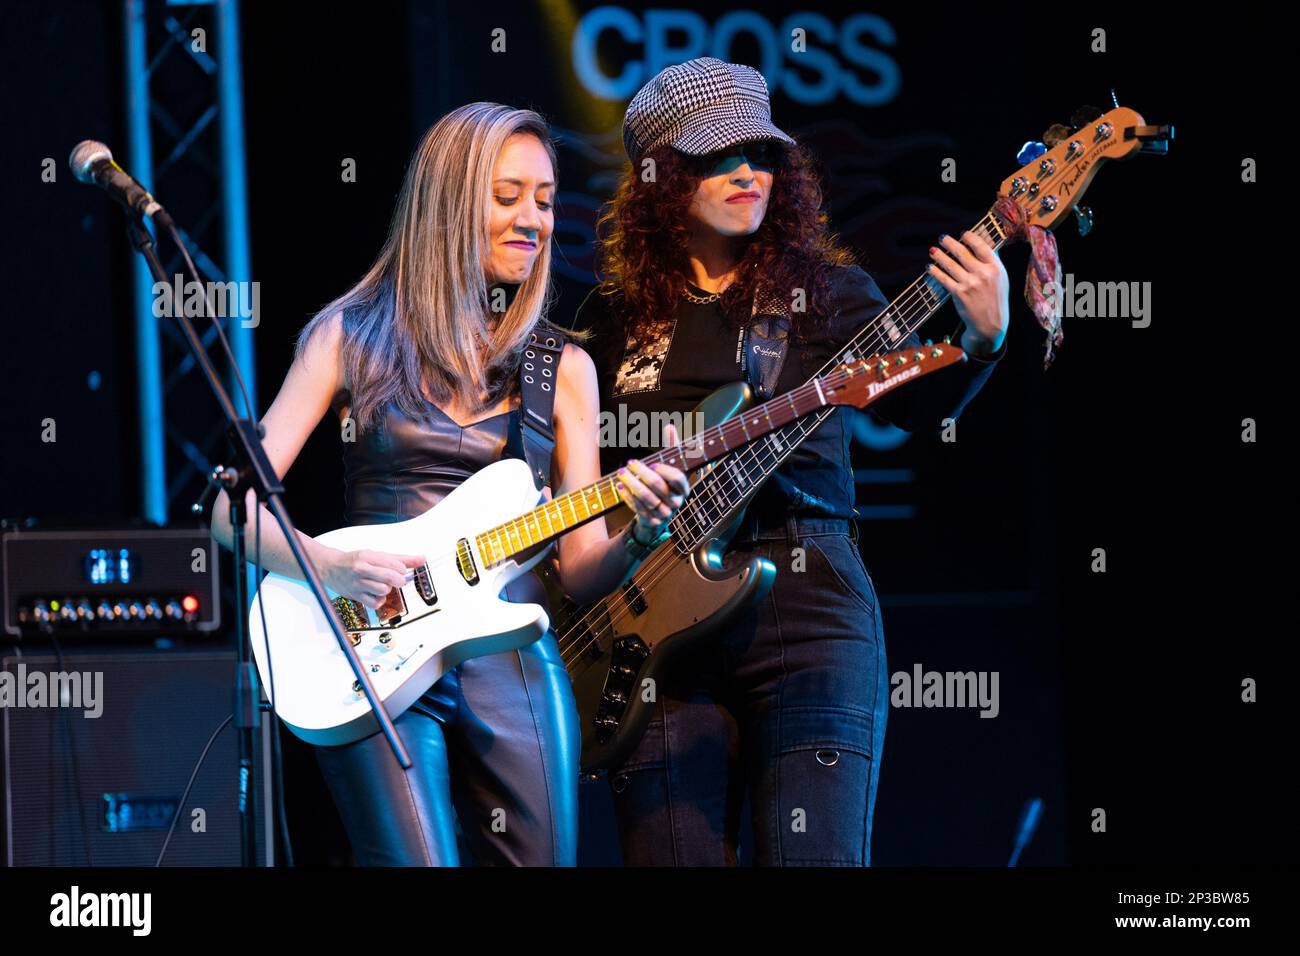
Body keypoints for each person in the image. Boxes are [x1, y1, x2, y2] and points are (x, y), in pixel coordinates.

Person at [211, 102, 689, 866]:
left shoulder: (562, 369)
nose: (533, 219)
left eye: (543, 199)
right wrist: (326, 563)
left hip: (515, 659)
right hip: (373, 650)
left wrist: (647, 528)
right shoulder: (350, 335)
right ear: (449, 201)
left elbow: (582, 566)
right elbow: (230, 512)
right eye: (508, 197)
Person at [576, 58, 1010, 865]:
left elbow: (917, 415)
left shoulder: (831, 291)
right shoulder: (605, 320)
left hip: (808, 608)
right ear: (660, 175)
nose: (750, 171)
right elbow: (573, 483)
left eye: (763, 153)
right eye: (719, 154)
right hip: (651, 622)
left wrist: (981, 345)